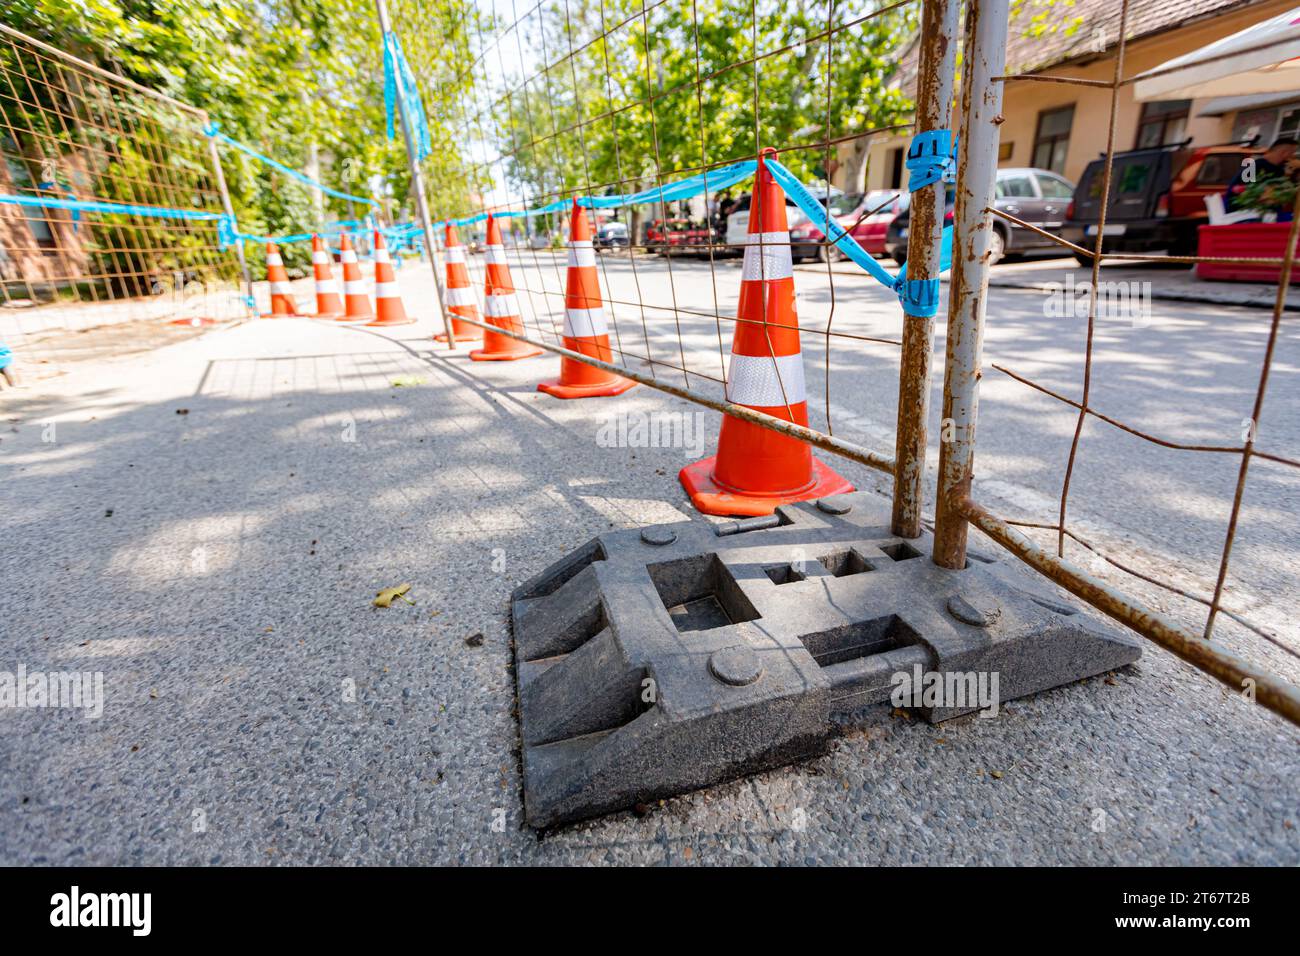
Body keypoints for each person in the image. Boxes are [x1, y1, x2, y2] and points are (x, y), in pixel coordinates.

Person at [1224, 137, 1300, 215]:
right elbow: (1248, 195)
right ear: (1284, 153)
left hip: (1265, 212)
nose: (1293, 156)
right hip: (1243, 213)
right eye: (1292, 153)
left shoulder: (1279, 168)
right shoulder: (1255, 167)